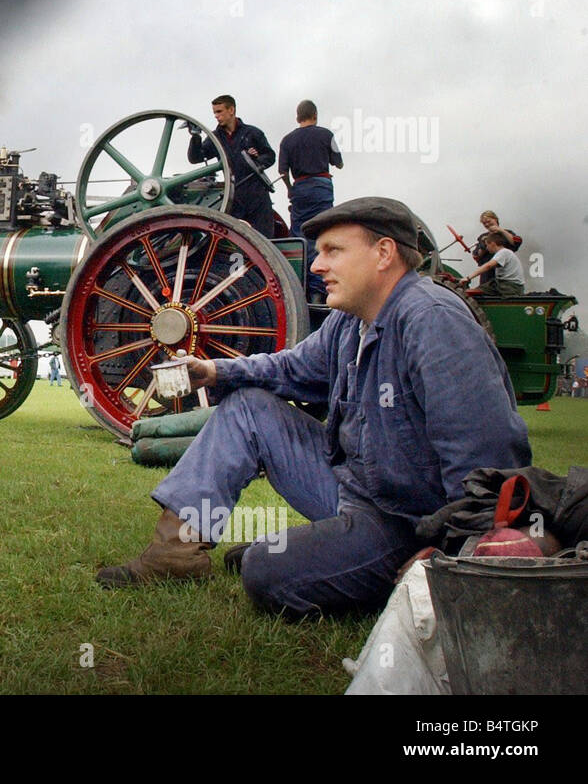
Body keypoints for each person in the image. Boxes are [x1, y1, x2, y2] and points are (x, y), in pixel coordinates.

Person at [95, 197, 531, 617]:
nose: (318, 265)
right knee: (248, 407)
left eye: (333, 251)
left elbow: (485, 458)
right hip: (356, 493)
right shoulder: (349, 322)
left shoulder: (432, 319)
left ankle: (317, 557)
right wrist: (215, 371)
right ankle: (175, 552)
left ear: (384, 253)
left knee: (266, 571)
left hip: (411, 522)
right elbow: (293, 368)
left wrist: (449, 555)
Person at [277, 99, 343, 301]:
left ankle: (297, 285)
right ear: (315, 115)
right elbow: (338, 163)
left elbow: (282, 172)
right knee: (320, 234)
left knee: (298, 233)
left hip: (300, 188)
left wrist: (290, 190)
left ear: (298, 117)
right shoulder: (326, 135)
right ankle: (316, 291)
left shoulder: (287, 140)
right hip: (321, 186)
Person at [188, 95, 277, 237]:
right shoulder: (215, 137)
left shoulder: (252, 133)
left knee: (264, 237)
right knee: (233, 240)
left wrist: (257, 161)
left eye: (219, 112)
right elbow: (196, 157)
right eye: (215, 113)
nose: (216, 116)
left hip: (257, 194)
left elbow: (270, 156)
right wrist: (195, 137)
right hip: (234, 195)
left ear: (231, 110)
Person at [460, 232, 525, 296]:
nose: (487, 248)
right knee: (479, 289)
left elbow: (488, 266)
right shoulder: (505, 252)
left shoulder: (503, 252)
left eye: (487, 245)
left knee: (473, 293)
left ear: (493, 244)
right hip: (506, 285)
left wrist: (468, 278)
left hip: (510, 287)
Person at [470, 211, 523, 289]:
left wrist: (501, 230)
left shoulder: (507, 233)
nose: (487, 224)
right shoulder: (483, 237)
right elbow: (477, 256)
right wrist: (485, 244)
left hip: (504, 271)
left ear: (495, 219)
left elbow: (515, 243)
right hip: (487, 273)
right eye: (484, 223)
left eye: (489, 221)